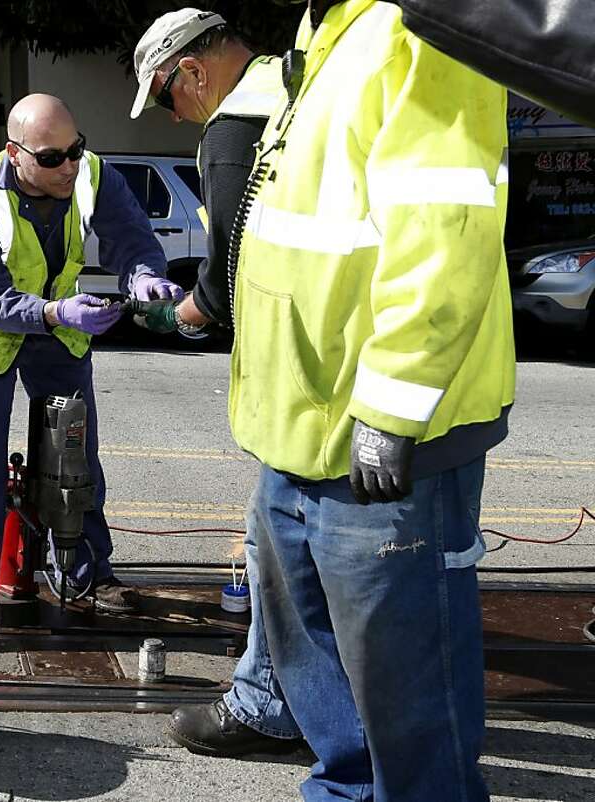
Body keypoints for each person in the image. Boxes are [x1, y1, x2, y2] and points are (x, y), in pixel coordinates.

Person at [150, 1, 515, 799]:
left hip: (379, 446)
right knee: (325, 691)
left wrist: (390, 410)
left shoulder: (417, 33)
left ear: (191, 70)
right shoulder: (317, 52)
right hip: (297, 440)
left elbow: (444, 235)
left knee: (413, 717)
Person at [0, 93, 184, 658]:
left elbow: (131, 235)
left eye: (75, 150)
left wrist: (143, 274)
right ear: (15, 154)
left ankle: (88, 574)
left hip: (59, 329)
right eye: (52, 158)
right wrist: (52, 312)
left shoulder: (91, 175)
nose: (68, 165)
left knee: (75, 457)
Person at [128, 7, 304, 758]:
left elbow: (229, 271)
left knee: (277, 546)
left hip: (295, 383)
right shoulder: (293, 88)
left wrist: (183, 316)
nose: (177, 114)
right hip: (325, 369)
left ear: (194, 72)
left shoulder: (234, 128)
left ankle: (267, 701)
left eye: (169, 97)